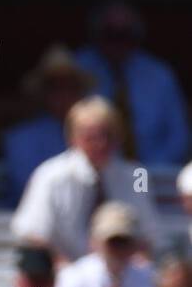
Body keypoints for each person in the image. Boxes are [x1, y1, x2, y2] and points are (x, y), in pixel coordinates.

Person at [12, 96, 156, 264]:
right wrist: (67, 272)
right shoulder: (49, 175)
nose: (100, 143)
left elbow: (148, 234)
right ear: (72, 138)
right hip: (63, 276)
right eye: (91, 137)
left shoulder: (138, 175)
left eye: (107, 135)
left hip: (124, 274)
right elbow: (32, 234)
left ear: (119, 136)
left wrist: (133, 271)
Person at [75, 1, 188, 166]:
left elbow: (178, 134)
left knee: (139, 187)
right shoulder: (78, 69)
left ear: (137, 36)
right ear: (96, 35)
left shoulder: (159, 75)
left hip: (149, 170)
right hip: (94, 169)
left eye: (124, 35)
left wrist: (148, 169)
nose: (117, 42)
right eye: (110, 34)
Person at [1, 45, 93, 204]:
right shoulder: (19, 138)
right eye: (56, 88)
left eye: (71, 87)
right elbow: (28, 187)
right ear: (43, 93)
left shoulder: (95, 134)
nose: (64, 95)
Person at [52, 201, 157, 287]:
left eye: (124, 242)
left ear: (135, 245)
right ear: (95, 243)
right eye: (112, 242)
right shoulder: (73, 278)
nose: (118, 250)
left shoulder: (150, 280)